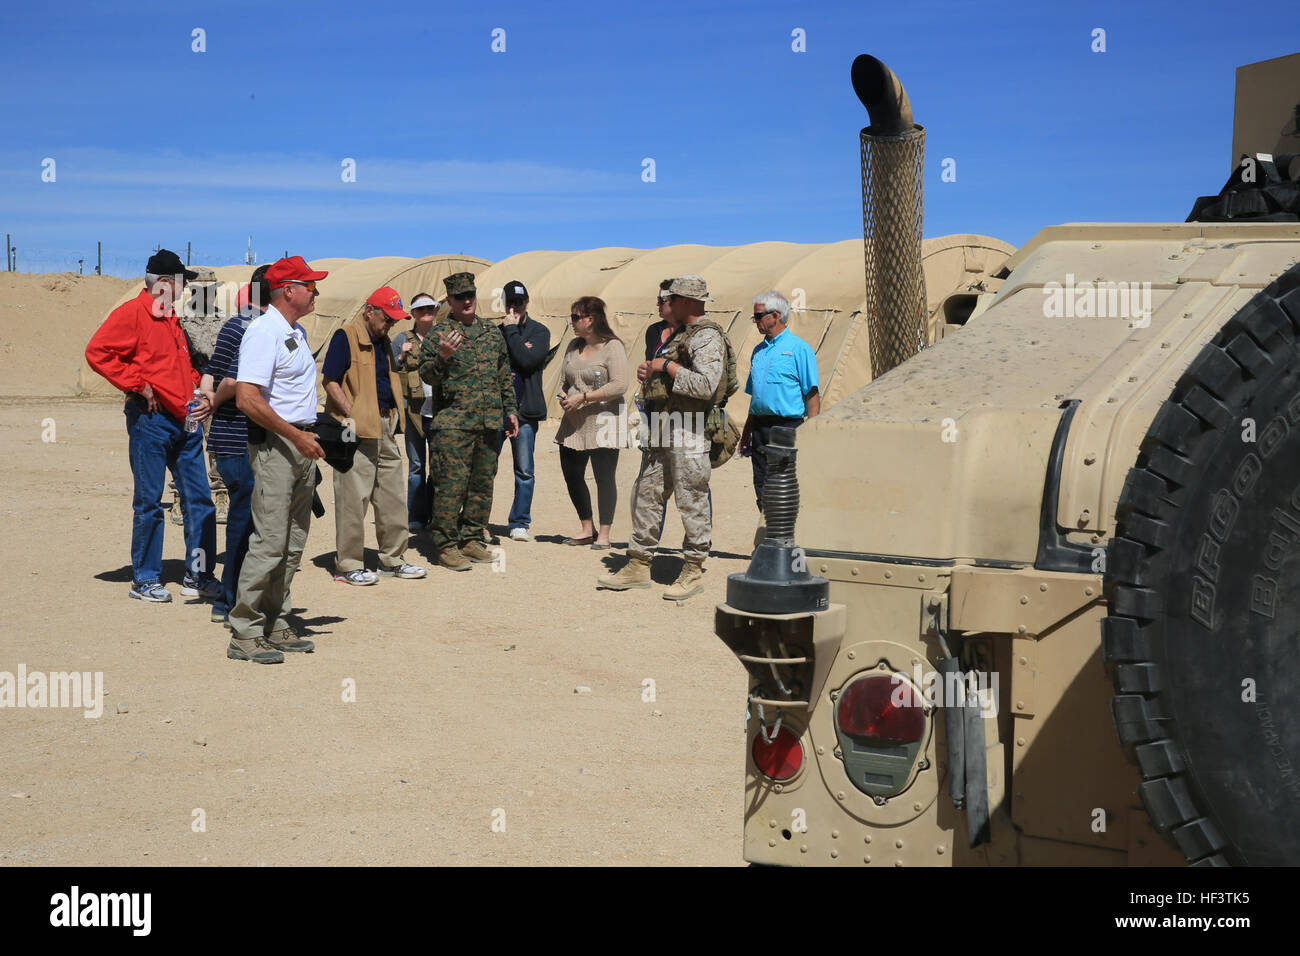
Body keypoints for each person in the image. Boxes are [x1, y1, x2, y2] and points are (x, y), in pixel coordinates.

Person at [85, 249, 219, 604]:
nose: (185, 289)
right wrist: (137, 385)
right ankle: (144, 579)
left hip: (185, 421)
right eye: (181, 283)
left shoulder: (170, 316)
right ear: (163, 283)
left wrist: (198, 390)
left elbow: (178, 366)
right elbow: (97, 352)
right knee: (149, 502)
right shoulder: (132, 314)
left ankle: (199, 575)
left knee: (200, 500)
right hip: (151, 422)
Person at [597, 275, 724, 601]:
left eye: (674, 298)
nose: (666, 303)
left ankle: (693, 567)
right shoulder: (672, 333)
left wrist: (666, 367)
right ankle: (639, 563)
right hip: (662, 426)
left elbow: (706, 386)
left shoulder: (707, 336)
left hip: (689, 428)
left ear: (688, 302)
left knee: (691, 498)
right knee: (647, 494)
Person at [227, 256, 327, 663]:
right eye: (311, 285)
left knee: (293, 541)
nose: (316, 291)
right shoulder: (262, 331)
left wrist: (310, 435)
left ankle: (276, 619)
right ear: (289, 290)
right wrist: (295, 436)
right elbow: (246, 398)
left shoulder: (296, 332)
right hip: (276, 445)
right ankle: (244, 631)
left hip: (301, 442)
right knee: (269, 541)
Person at [322, 287, 426, 585]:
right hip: (354, 430)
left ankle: (393, 560)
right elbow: (330, 380)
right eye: (387, 318)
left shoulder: (382, 341)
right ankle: (348, 565)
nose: (391, 324)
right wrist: (351, 413)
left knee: (392, 496)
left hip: (385, 427)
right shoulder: (346, 336)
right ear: (370, 311)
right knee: (354, 499)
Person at [418, 272, 518, 571]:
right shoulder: (440, 334)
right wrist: (443, 357)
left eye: (470, 295)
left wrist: (510, 410)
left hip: (488, 423)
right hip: (453, 425)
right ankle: (446, 545)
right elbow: (426, 375)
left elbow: (503, 375)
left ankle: (472, 537)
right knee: (451, 485)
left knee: (482, 484)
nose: (466, 301)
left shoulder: (491, 332)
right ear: (449, 301)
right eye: (459, 297)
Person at [200, 264, 270, 624]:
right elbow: (224, 375)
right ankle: (228, 602)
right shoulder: (244, 326)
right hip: (236, 438)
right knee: (244, 521)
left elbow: (214, 371)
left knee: (255, 522)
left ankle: (241, 598)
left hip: (259, 439)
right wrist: (211, 400)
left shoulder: (267, 327)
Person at [555, 296, 628, 550]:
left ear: (591, 319)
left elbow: (620, 385)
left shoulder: (613, 347)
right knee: (572, 474)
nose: (572, 322)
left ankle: (605, 534)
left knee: (604, 477)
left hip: (604, 421)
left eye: (576, 317)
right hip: (574, 421)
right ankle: (587, 528)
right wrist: (564, 397)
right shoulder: (573, 345)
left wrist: (584, 398)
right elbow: (564, 381)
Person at [738, 291, 821, 510]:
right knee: (762, 483)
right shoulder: (758, 352)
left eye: (758, 316)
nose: (755, 321)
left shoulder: (798, 349)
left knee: (784, 486)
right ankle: (768, 537)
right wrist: (747, 431)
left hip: (787, 427)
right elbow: (757, 397)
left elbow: (811, 393)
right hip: (760, 428)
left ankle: (788, 538)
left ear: (774, 316)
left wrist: (812, 434)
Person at [492, 280, 550, 542]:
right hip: (498, 410)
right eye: (510, 303)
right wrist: (513, 339)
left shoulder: (539, 332)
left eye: (519, 302)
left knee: (524, 470)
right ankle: (479, 520)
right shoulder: (495, 333)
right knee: (487, 467)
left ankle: (519, 522)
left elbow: (528, 361)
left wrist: (513, 332)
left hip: (525, 411)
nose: (514, 307)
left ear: (527, 303)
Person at [172, 266, 229, 527]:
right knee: (186, 445)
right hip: (190, 395)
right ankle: (179, 498)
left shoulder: (225, 321)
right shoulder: (180, 322)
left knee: (217, 446)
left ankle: (221, 496)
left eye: (210, 291)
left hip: (217, 395)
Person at [392, 292, 439, 532]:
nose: (426, 313)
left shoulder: (443, 336)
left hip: (440, 410)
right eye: (421, 309)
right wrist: (401, 354)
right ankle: (416, 517)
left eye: (430, 308)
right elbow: (389, 370)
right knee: (417, 466)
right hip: (414, 411)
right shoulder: (402, 338)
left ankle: (436, 514)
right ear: (413, 314)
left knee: (439, 465)